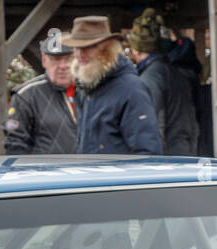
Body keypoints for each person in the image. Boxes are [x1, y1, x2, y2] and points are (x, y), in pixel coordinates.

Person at [62, 16, 160, 155]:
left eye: (88, 48)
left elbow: (146, 151)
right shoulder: (89, 86)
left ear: (107, 48)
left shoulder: (131, 89)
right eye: (76, 48)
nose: (79, 55)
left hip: (119, 175)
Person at [127, 8, 198, 156]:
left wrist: (151, 160)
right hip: (185, 150)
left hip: (169, 160)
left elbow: (152, 126)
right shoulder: (174, 72)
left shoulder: (149, 78)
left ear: (137, 50)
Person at [4, 33, 77, 154]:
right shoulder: (26, 95)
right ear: (44, 60)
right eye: (56, 59)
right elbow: (15, 145)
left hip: (94, 171)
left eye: (68, 58)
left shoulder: (91, 90)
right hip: (47, 171)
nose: (63, 66)